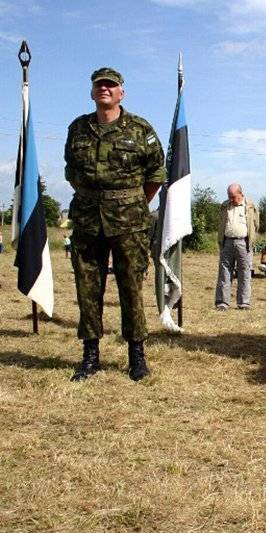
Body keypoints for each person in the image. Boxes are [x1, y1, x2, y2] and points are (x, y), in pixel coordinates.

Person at [65, 67, 165, 382]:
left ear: (121, 92)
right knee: (88, 288)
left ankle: (136, 356)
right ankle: (90, 356)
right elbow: (71, 172)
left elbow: (156, 175)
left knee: (131, 287)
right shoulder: (78, 128)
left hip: (129, 221)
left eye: (111, 85)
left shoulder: (140, 128)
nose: (105, 89)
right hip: (87, 218)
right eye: (99, 85)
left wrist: (131, 203)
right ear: (93, 92)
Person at [215, 183, 258, 310]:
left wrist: (251, 240)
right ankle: (222, 302)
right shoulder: (225, 206)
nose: (231, 199)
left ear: (241, 194)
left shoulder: (250, 206)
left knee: (244, 273)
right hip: (227, 242)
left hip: (244, 243)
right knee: (224, 272)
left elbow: (256, 224)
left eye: (233, 197)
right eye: (229, 196)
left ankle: (243, 303)